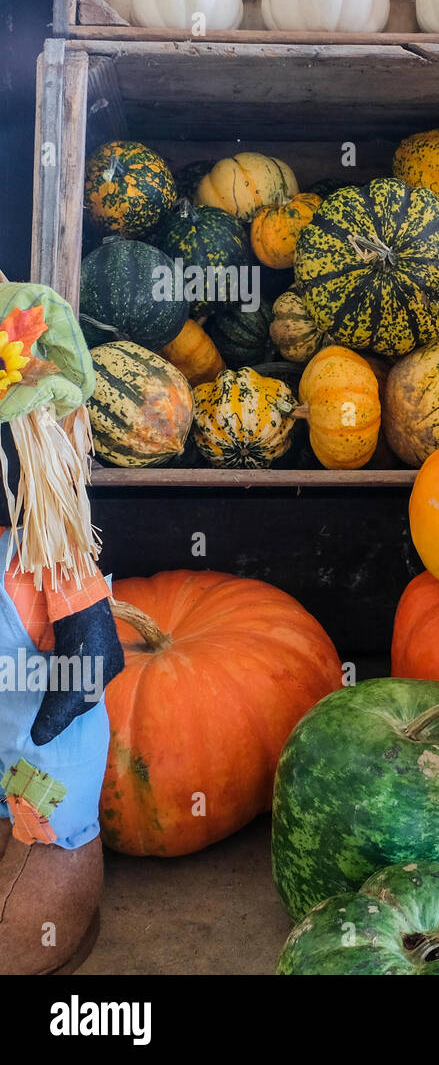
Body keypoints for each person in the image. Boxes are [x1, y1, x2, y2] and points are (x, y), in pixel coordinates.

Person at [0, 281, 123, 973]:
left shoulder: (50, 551)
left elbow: (96, 658)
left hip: (43, 766)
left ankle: (58, 894)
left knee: (38, 857)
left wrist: (38, 742)